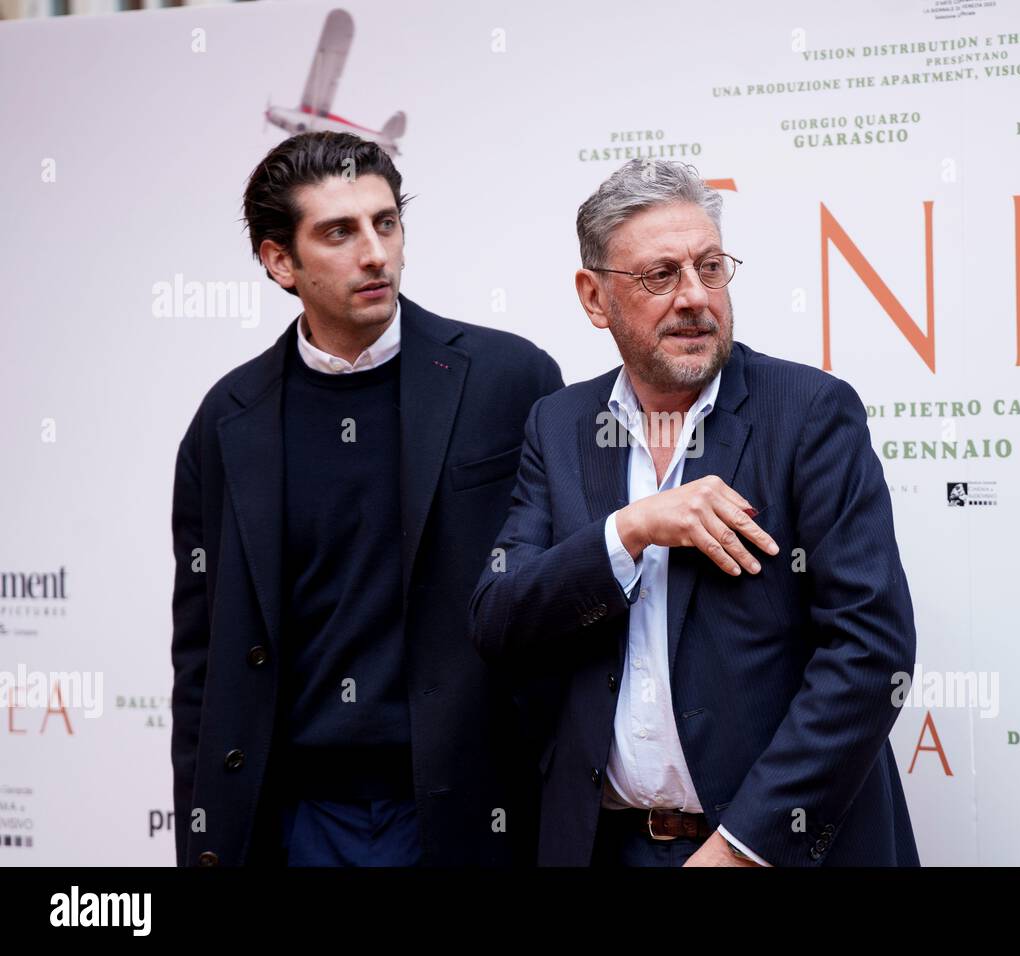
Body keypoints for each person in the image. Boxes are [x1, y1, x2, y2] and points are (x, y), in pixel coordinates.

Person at [469, 159, 920, 866]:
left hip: (771, 850)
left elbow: (871, 655)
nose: (694, 298)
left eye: (710, 268)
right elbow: (499, 618)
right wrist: (632, 528)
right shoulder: (557, 425)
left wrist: (741, 849)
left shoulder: (808, 414)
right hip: (605, 846)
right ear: (594, 298)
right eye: (659, 276)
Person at [170, 131, 562, 866]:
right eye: (339, 232)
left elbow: (563, 596)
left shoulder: (511, 380)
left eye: (386, 223)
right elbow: (203, 659)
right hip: (299, 820)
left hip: (477, 809)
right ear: (278, 260)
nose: (376, 253)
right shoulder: (228, 421)